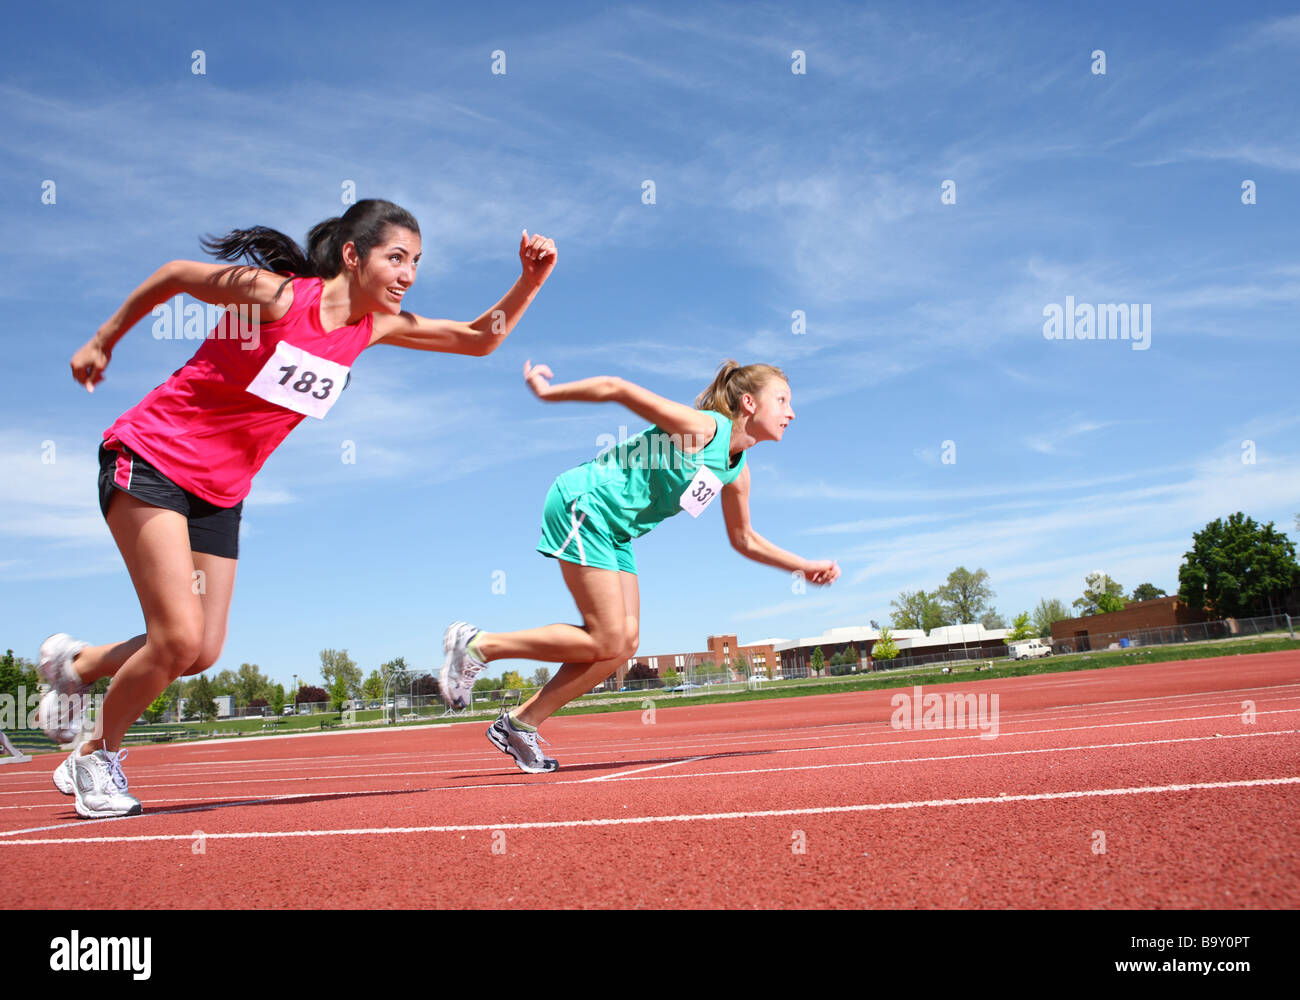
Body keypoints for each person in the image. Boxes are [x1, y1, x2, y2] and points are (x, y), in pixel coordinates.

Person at [38, 199, 557, 817]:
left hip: (220, 493)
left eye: (416, 262)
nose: (408, 274)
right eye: (396, 257)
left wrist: (529, 279)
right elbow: (175, 275)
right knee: (176, 638)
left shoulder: (374, 328)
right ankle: (94, 756)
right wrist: (104, 340)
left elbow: (477, 339)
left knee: (199, 651)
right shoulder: (277, 297)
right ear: (352, 256)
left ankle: (78, 664)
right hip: (152, 457)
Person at [440, 359, 840, 772]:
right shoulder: (704, 429)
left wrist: (803, 566)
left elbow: (744, 539)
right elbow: (618, 388)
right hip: (586, 503)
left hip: (617, 531)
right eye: (783, 400)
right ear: (749, 403)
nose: (791, 412)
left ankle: (520, 725)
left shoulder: (737, 471)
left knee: (622, 645)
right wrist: (548, 393)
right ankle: (478, 645)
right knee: (608, 636)